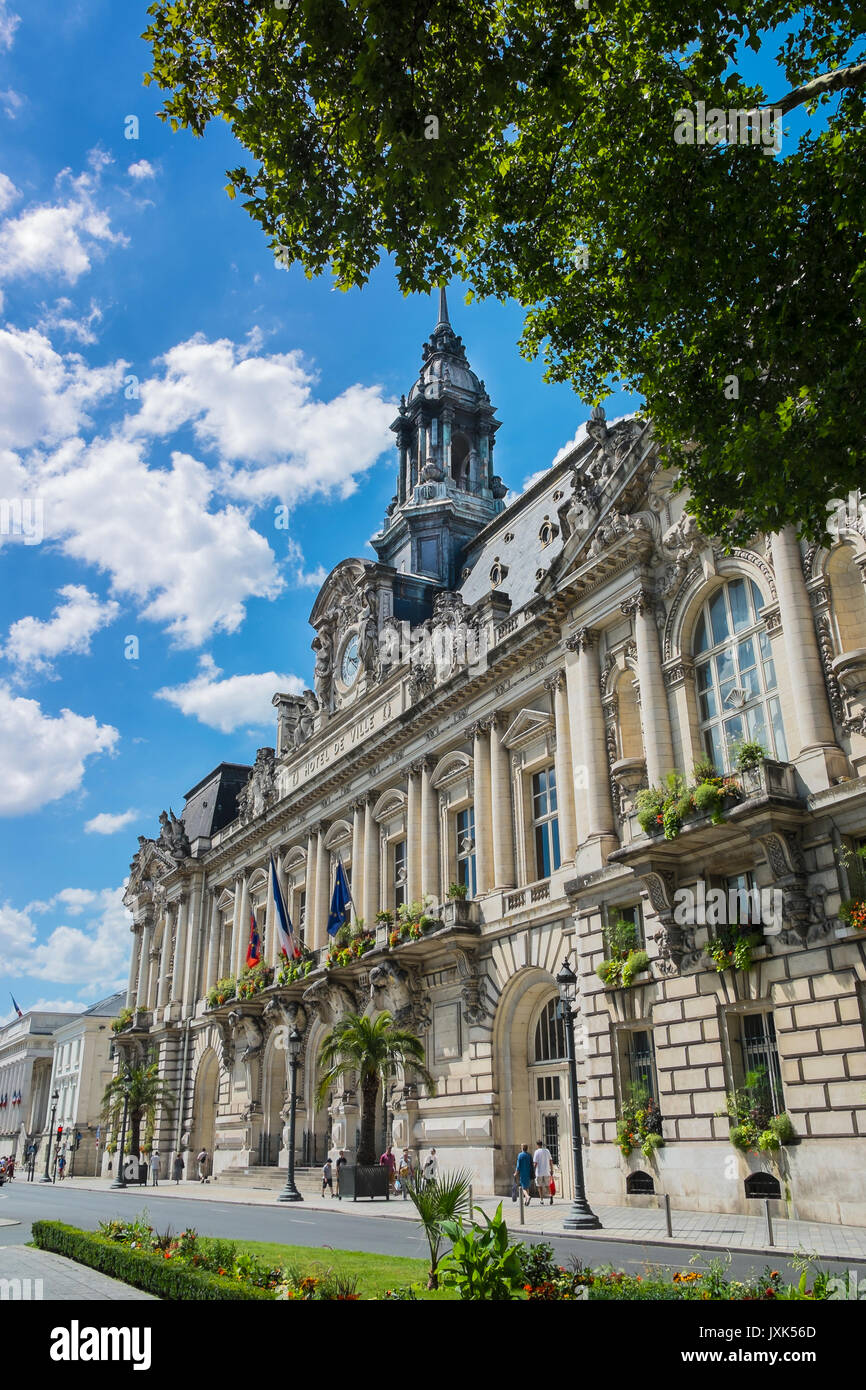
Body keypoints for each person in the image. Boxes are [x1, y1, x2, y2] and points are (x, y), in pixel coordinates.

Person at [533, 1138, 553, 1205]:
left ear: (537, 1145)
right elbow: (550, 1161)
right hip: (546, 1171)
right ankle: (550, 1196)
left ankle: (541, 1200)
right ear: (542, 1144)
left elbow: (535, 1163)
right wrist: (552, 1169)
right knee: (547, 1186)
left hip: (539, 1172)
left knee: (539, 1186)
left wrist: (533, 1171)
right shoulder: (547, 1151)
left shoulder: (536, 1152)